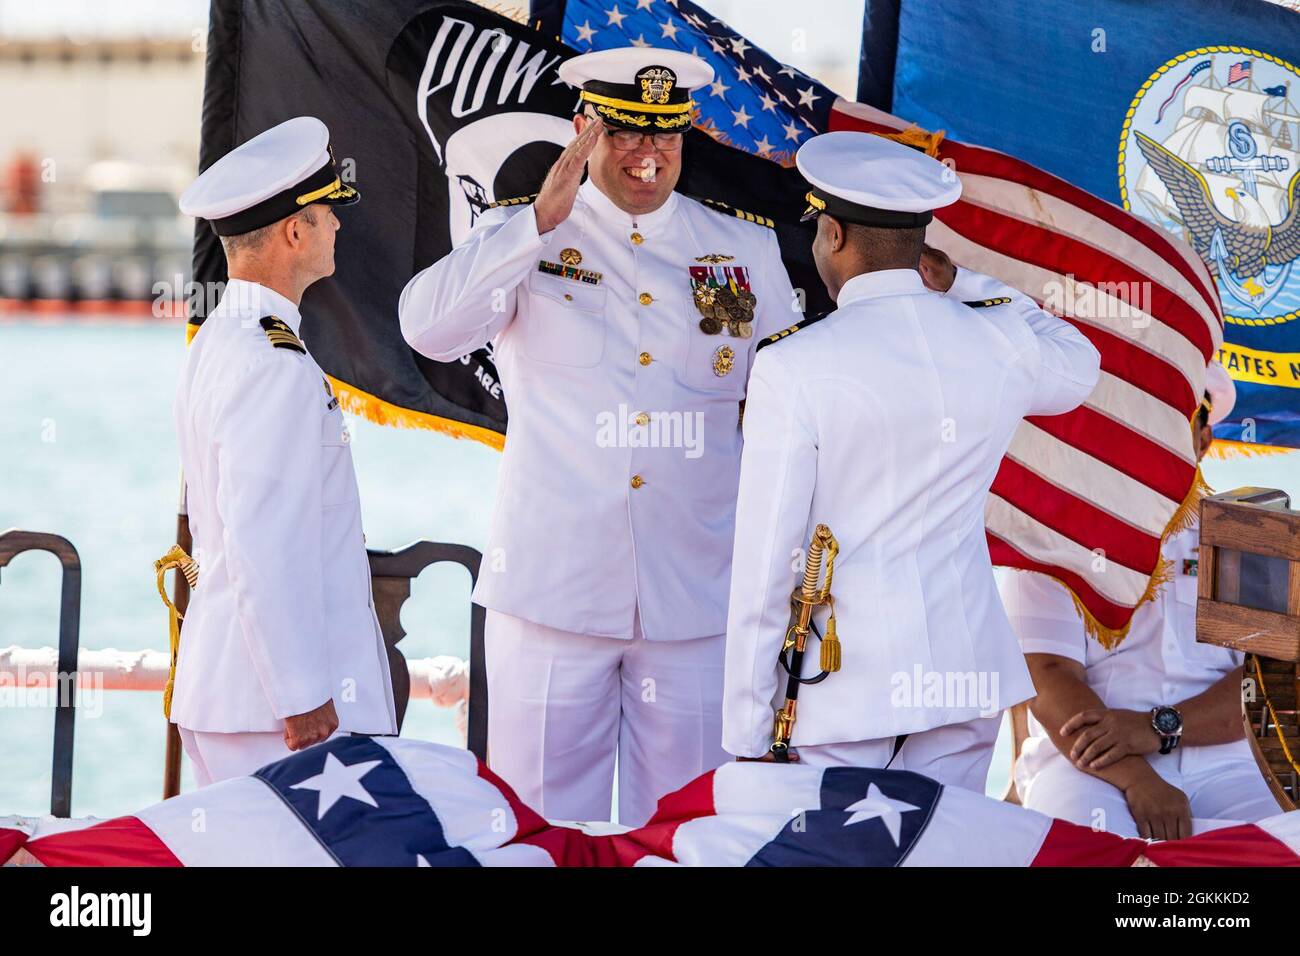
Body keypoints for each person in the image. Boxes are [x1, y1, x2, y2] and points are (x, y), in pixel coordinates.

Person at [399, 48, 799, 824]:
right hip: (552, 596)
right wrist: (535, 223)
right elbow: (427, 329)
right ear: (584, 131)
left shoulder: (742, 247)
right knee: (542, 834)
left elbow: (787, 405)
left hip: (696, 604)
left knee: (685, 836)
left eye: (667, 137)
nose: (647, 157)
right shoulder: (523, 234)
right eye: (624, 135)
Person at [722, 130, 1101, 791]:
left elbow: (767, 568)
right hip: (964, 675)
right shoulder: (997, 340)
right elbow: (1079, 366)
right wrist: (968, 285)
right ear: (921, 242)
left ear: (833, 237)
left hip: (844, 689)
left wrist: (747, 729)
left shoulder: (792, 366)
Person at [172, 116, 396, 786]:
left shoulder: (225, 336)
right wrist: (301, 695)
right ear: (295, 231)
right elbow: (261, 540)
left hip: (238, 694)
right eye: (329, 214)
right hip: (276, 712)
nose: (338, 227)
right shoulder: (274, 362)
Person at [1001, 362, 1282, 838]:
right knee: (1082, 848)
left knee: (1279, 845)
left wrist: (1158, 728)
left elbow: (1263, 679)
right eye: (1142, 422)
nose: (1153, 441)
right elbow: (1047, 677)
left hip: (1229, 759)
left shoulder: (1250, 531)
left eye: (1172, 423)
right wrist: (1137, 778)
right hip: (1091, 765)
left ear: (1204, 438)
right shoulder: (1051, 533)